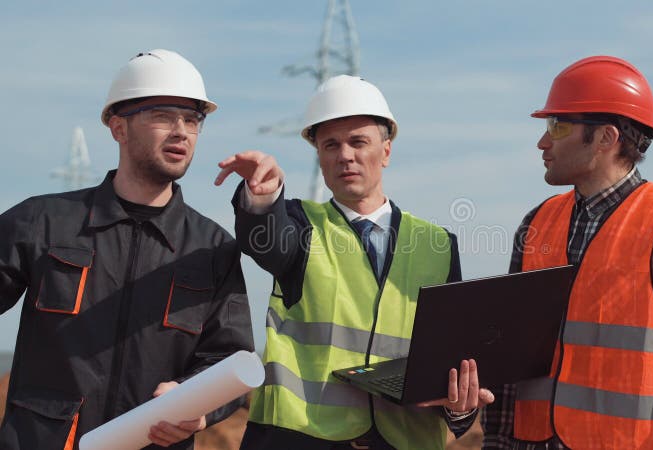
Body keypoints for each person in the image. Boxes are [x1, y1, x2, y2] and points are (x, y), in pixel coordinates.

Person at [215, 74, 494, 450]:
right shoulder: (298, 224)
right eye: (331, 144)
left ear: (387, 151)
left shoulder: (439, 245)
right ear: (319, 156)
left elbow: (449, 357)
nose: (345, 154)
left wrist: (460, 411)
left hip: (403, 440)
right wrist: (263, 199)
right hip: (302, 439)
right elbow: (264, 240)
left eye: (358, 141)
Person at [481, 56, 653, 449]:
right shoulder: (537, 224)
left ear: (606, 138)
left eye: (558, 125)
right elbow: (511, 357)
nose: (543, 141)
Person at [0, 49, 255, 450]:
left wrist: (195, 404)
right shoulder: (43, 222)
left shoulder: (212, 249)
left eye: (192, 120)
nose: (181, 132)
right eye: (162, 116)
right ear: (118, 128)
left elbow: (227, 361)